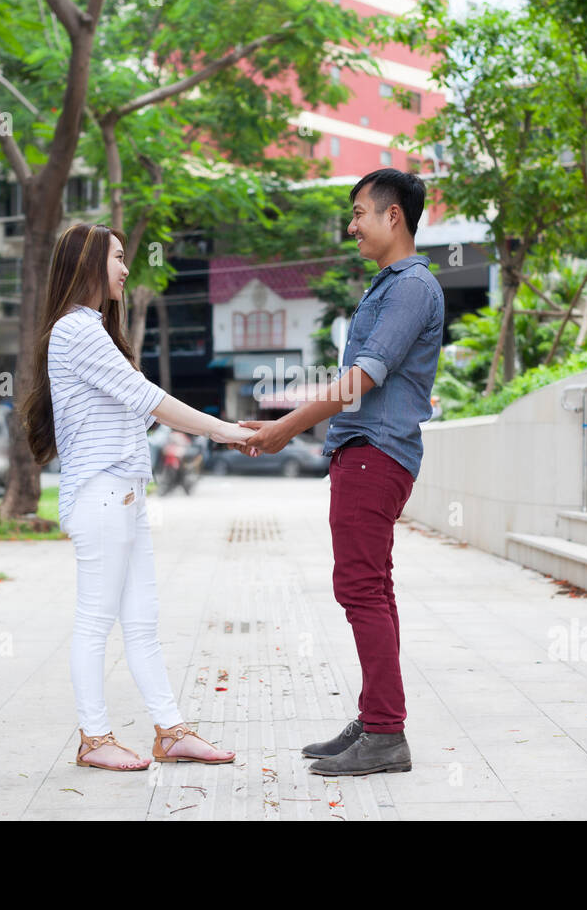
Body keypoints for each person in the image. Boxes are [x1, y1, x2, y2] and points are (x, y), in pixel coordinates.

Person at [21, 223, 254, 772]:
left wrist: (225, 430)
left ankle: (169, 731)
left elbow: (142, 410)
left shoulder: (94, 330)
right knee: (95, 621)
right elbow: (152, 399)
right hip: (101, 495)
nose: (126, 269)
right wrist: (228, 431)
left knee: (143, 622)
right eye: (118, 258)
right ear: (88, 263)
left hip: (124, 494)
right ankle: (94, 739)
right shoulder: (76, 330)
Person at [238, 169, 444, 776]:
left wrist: (285, 428)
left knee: (359, 588)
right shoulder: (391, 285)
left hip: (373, 453)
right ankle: (379, 718)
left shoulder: (410, 287)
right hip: (369, 451)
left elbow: (360, 381)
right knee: (373, 587)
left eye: (358, 213)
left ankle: (385, 733)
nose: (351, 226)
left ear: (393, 217)